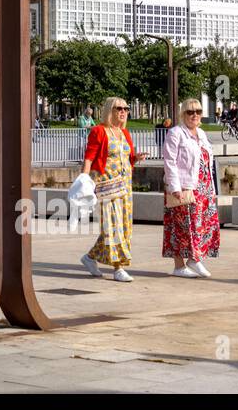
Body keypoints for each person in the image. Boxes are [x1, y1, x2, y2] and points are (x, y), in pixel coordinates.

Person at [79, 96, 145, 282]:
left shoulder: (124, 133)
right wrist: (84, 179)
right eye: (118, 108)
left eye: (126, 108)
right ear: (109, 110)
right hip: (106, 187)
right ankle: (119, 268)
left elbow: (127, 158)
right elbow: (89, 157)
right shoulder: (99, 131)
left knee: (124, 227)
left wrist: (136, 158)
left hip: (125, 187)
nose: (123, 111)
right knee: (113, 227)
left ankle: (90, 257)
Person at [161, 99, 221, 278]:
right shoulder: (176, 133)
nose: (194, 115)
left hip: (203, 187)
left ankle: (189, 261)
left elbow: (207, 162)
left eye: (198, 111)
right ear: (183, 114)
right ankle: (188, 262)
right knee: (181, 227)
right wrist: (175, 186)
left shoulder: (201, 133)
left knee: (202, 225)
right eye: (190, 112)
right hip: (184, 186)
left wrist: (212, 188)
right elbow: (169, 161)